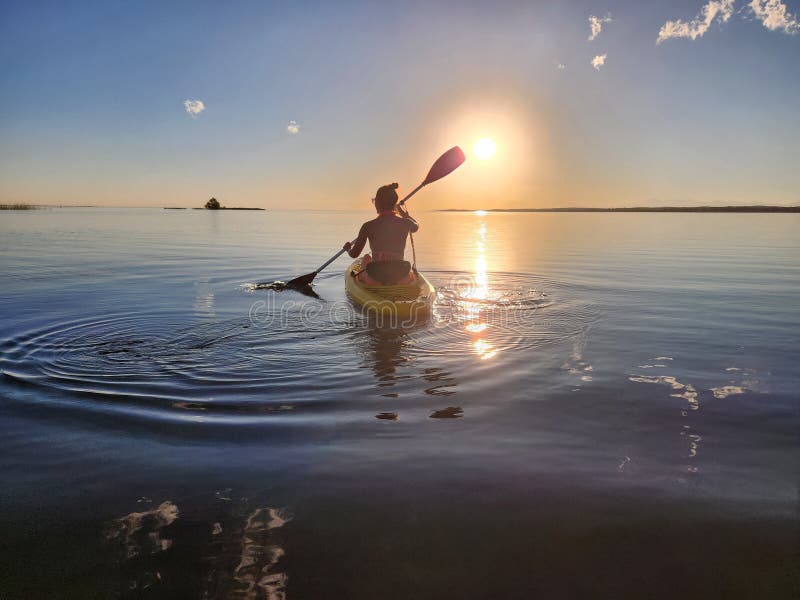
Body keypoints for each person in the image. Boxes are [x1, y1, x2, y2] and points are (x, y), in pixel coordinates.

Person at [343, 183, 419, 285]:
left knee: (366, 258)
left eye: (374, 201)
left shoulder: (368, 226)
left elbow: (354, 254)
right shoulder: (406, 223)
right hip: (400, 277)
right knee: (404, 270)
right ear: (394, 204)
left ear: (377, 203)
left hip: (375, 278)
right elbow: (416, 226)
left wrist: (348, 249)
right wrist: (404, 215)